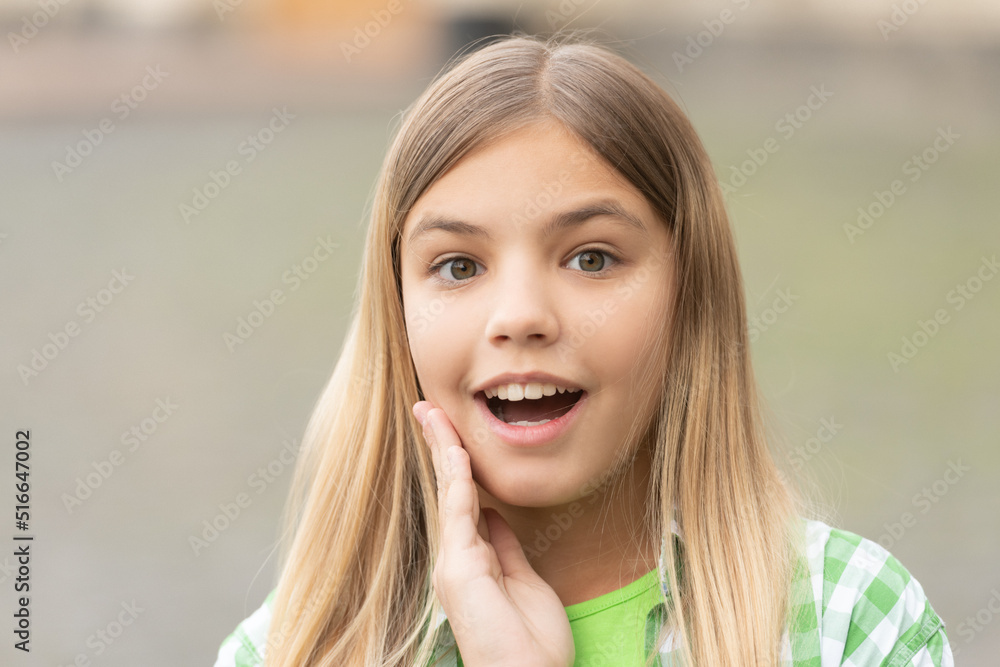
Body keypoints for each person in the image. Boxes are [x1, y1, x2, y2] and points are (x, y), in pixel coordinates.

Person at [213, 32, 954, 666]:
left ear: (689, 297)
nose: (522, 317)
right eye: (459, 266)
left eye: (592, 258)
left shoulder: (848, 622)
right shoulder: (289, 647)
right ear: (396, 313)